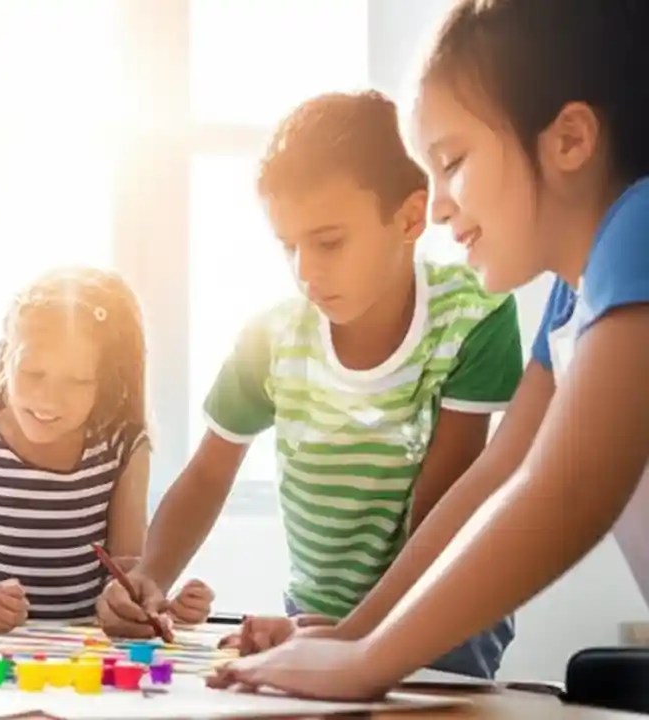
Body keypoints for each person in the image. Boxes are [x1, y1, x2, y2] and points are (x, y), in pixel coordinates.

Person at [209, 0, 649, 699]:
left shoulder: (640, 226)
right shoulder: (577, 296)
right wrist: (352, 635)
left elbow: (570, 490)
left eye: (452, 162)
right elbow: (498, 478)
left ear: (569, 140)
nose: (439, 205)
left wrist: (367, 664)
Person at [97, 91, 521, 679]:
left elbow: (442, 507)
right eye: (288, 246)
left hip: (441, 608)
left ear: (408, 218)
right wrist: (149, 577)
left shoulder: (476, 315)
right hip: (315, 611)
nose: (305, 272)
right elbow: (208, 473)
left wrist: (359, 633)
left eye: (327, 242)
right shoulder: (272, 337)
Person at [0, 267, 213, 633]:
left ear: (104, 382)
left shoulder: (122, 447)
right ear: (5, 356)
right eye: (33, 373)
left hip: (86, 655)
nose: (49, 399)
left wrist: (157, 601)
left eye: (77, 381)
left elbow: (127, 569)